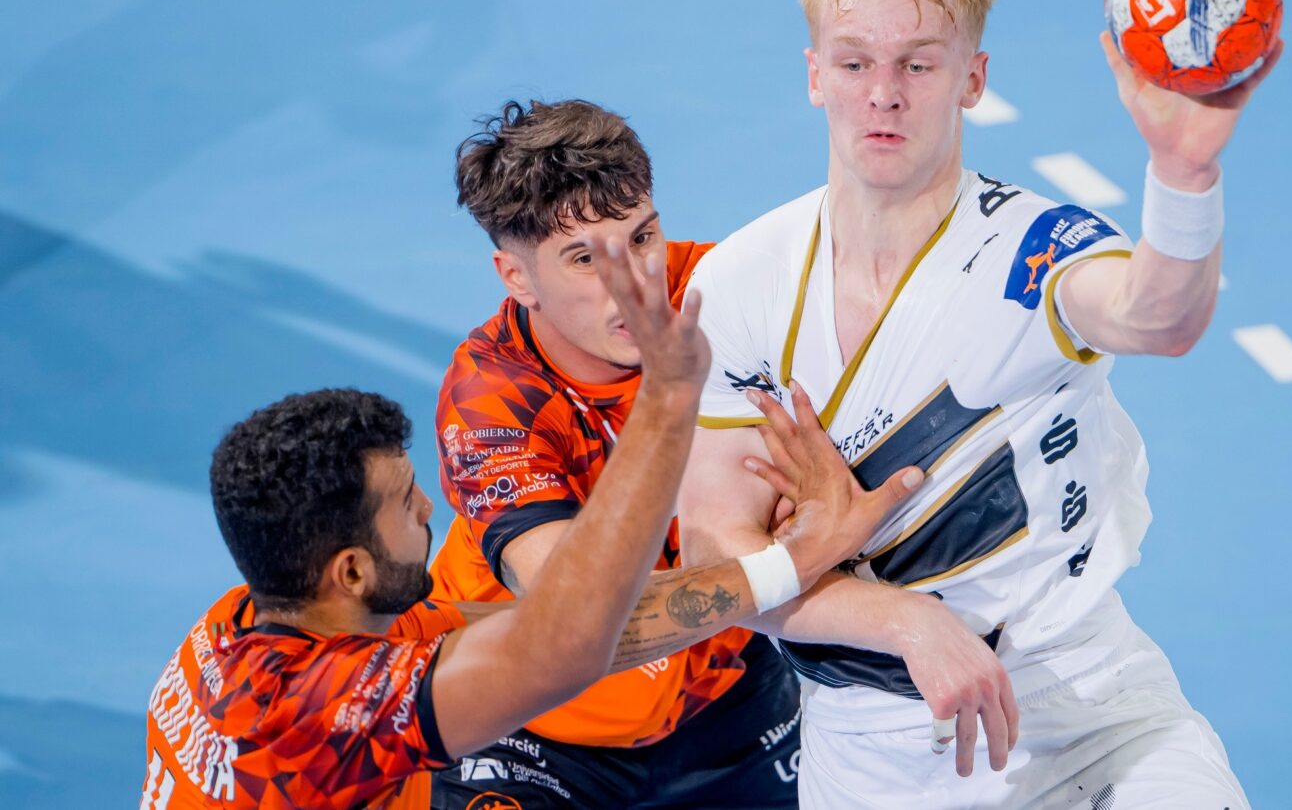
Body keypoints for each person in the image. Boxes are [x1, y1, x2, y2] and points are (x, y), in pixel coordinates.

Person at [677, 0, 1282, 809]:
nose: (884, 92)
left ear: (973, 78)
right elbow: (718, 562)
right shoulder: (740, 283)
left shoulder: (1034, 249)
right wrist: (901, 620)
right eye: (855, 61)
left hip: (1088, 712)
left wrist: (1184, 172)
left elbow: (1159, 318)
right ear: (815, 75)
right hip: (872, 756)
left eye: (919, 63)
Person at [140, 240, 921, 810]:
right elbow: (566, 645)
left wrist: (776, 565)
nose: (430, 508)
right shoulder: (326, 712)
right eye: (406, 502)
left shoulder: (247, 627)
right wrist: (673, 407)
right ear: (350, 570)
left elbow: (587, 625)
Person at [427, 99, 816, 808]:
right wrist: (803, 554)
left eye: (642, 237)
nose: (635, 282)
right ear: (517, 278)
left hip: (725, 701)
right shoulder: (491, 396)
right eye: (584, 259)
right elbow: (580, 617)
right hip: (531, 729)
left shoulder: (723, 291)